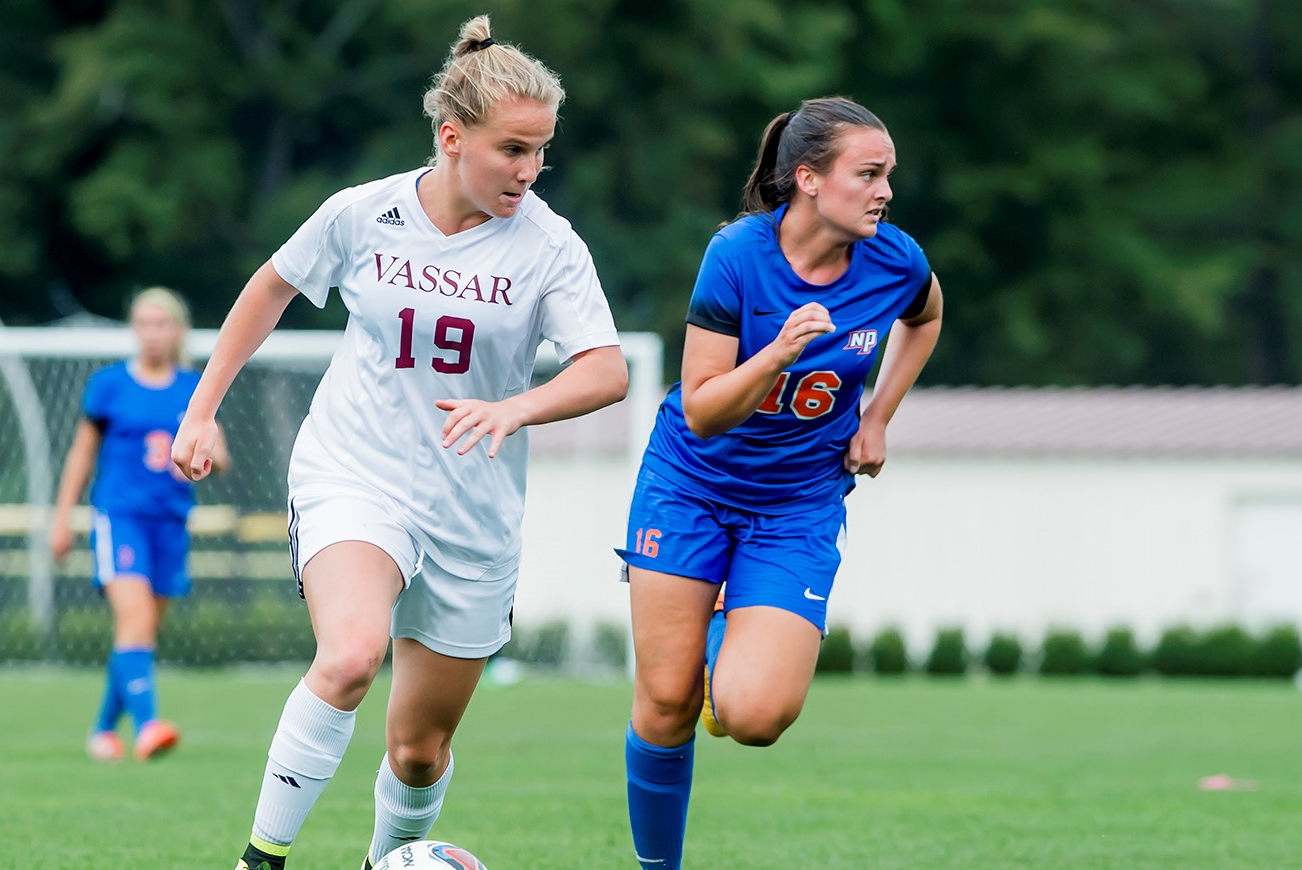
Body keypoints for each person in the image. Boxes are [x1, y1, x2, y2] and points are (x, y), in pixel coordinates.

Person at [166, 16, 627, 870]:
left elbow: (606, 370)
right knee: (347, 658)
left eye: (540, 153)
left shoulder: (549, 244)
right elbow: (269, 289)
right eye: (511, 150)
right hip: (355, 470)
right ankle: (258, 861)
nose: (528, 173)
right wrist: (201, 409)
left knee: (419, 750)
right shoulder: (363, 212)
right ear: (453, 139)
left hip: (472, 508)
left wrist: (514, 410)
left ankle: (388, 861)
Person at [616, 96, 945, 868]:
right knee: (665, 703)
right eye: (868, 174)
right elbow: (701, 411)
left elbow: (925, 319)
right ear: (807, 179)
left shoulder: (896, 260)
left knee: (755, 716)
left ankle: (732, 611)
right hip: (690, 487)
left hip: (796, 505)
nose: (885, 191)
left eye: (888, 175)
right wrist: (774, 356)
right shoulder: (736, 255)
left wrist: (878, 416)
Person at [50, 286, 231, 763]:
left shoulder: (193, 388)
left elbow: (220, 453)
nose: (152, 333)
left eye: (161, 323)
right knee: (136, 620)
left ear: (177, 331)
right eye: (144, 323)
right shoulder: (109, 385)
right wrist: (61, 519)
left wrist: (198, 456)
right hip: (120, 517)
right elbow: (82, 454)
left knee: (142, 631)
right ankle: (149, 726)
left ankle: (103, 730)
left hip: (169, 523)